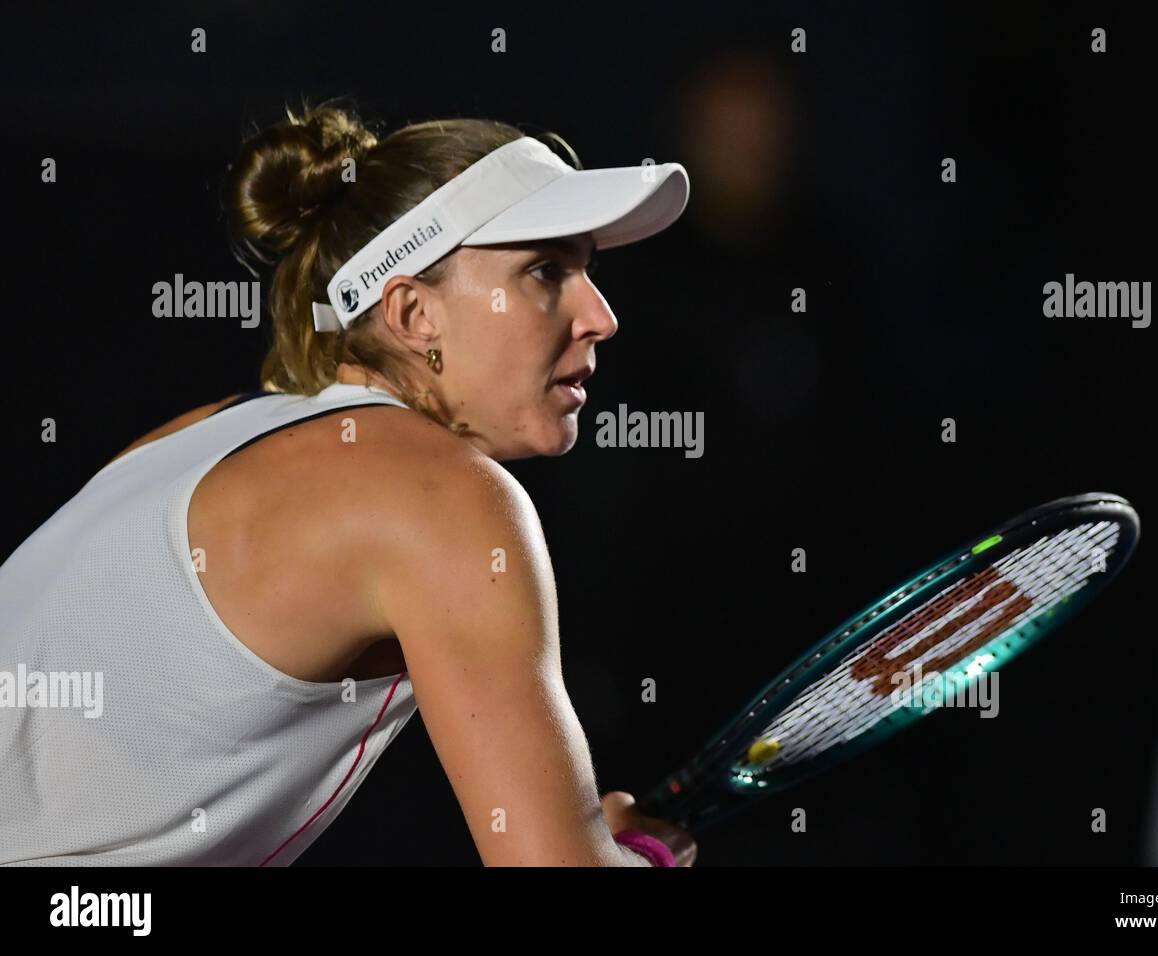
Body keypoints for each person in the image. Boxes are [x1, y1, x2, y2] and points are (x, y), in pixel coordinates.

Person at [0, 103, 697, 866]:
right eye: (544, 271)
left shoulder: (196, 433)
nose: (601, 316)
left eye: (587, 270)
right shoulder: (446, 496)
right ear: (412, 313)